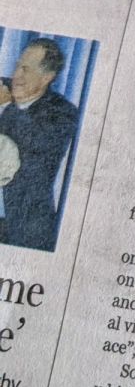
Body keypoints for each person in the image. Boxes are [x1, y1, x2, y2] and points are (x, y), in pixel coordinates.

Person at [0, 38, 79, 251]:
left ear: (47, 77)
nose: (16, 75)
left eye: (26, 69)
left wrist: (7, 105)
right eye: (17, 66)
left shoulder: (63, 112)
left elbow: (37, 140)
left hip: (21, 223)